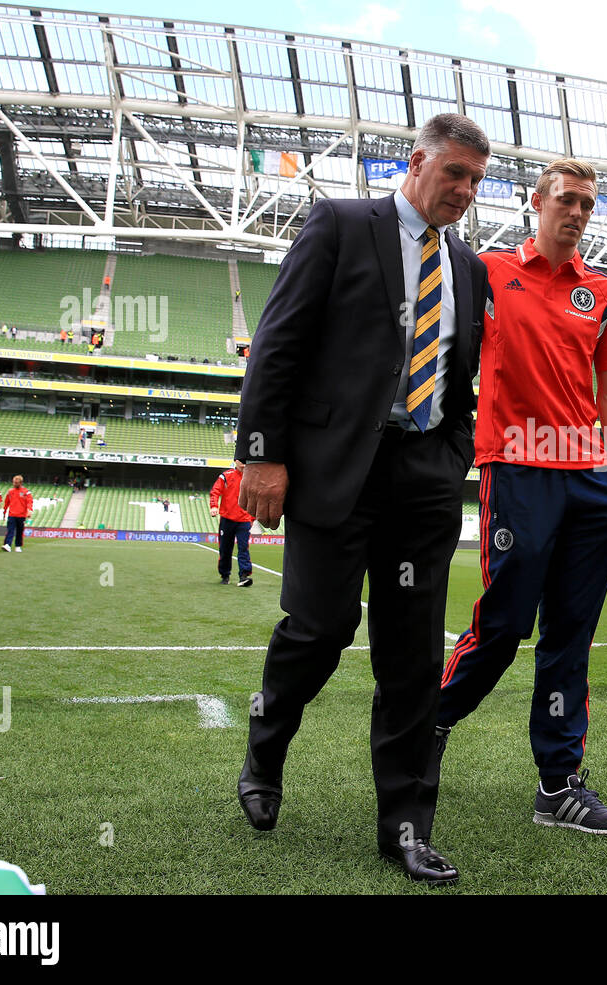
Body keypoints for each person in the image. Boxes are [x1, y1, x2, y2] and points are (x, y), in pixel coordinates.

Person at [233, 113, 490, 886]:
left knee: (412, 657)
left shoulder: (469, 269)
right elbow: (278, 343)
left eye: (477, 183)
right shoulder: (342, 225)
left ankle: (406, 826)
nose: (466, 193)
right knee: (319, 627)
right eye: (456, 175)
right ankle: (265, 749)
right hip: (334, 469)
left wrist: (453, 459)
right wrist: (263, 455)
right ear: (418, 163)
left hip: (424, 480)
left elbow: (459, 377)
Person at [437, 158, 607, 838]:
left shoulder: (604, 293)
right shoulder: (488, 271)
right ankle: (430, 722)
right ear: (537, 202)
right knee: (503, 625)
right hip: (517, 470)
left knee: (570, 637)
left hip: (591, 482)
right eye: (568, 199)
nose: (578, 212)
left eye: (588, 203)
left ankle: (557, 786)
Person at [210, 462, 254, 587]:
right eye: (241, 461)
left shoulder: (252, 477)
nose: (244, 464)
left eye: (246, 461)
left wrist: (252, 518)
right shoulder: (225, 476)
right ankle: (225, 575)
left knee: (243, 548)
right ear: (236, 461)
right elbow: (215, 491)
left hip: (244, 520)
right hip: (227, 519)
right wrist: (214, 506)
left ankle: (244, 576)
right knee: (225, 548)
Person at [0, 475, 33, 552]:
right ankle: (7, 544)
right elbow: (6, 502)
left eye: (16, 483)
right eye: (14, 482)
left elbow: (29, 502)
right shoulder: (10, 491)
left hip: (21, 515)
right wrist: (4, 512)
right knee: (10, 530)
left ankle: (18, 546)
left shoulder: (26, 492)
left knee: (20, 531)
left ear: (20, 483)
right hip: (12, 514)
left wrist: (29, 510)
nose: (14, 484)